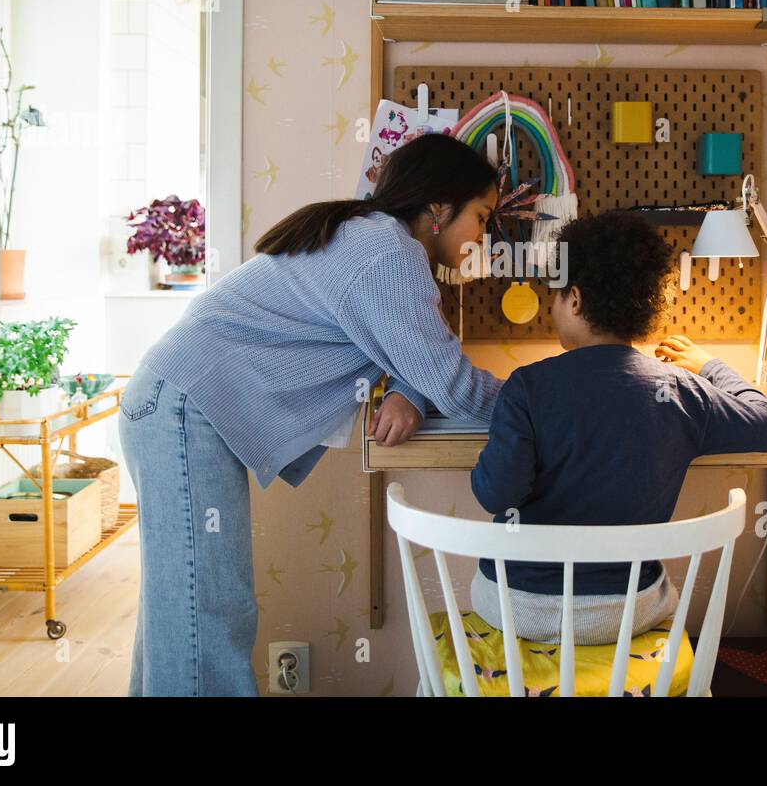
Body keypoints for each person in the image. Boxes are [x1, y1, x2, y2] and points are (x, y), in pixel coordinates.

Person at [119, 133, 504, 695]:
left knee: (183, 612)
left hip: (174, 403)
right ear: (439, 210)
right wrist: (546, 402)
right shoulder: (388, 253)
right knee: (207, 612)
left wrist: (407, 393)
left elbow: (413, 358)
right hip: (183, 409)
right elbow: (451, 381)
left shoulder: (372, 240)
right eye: (481, 216)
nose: (483, 235)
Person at [468, 210, 767, 644]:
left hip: (516, 605)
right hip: (623, 613)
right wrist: (708, 365)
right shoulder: (681, 391)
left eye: (556, 295)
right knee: (659, 590)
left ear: (575, 299)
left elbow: (496, 494)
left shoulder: (528, 387)